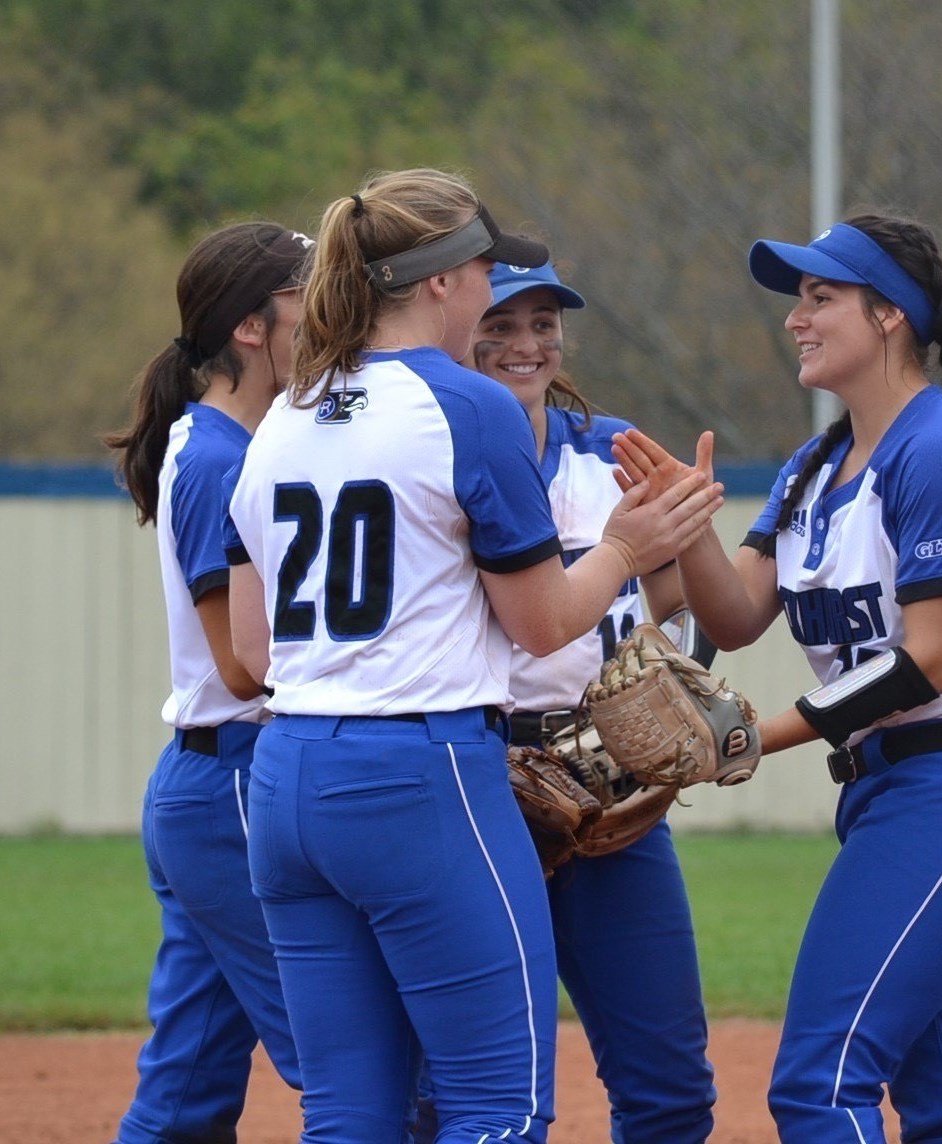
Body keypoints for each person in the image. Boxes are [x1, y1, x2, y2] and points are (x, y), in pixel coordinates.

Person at [221, 168, 722, 1143]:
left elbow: (252, 646)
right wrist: (624, 548)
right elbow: (542, 623)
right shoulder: (468, 405)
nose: (497, 293)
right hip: (419, 774)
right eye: (488, 272)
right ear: (444, 281)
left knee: (349, 1114)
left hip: (287, 776)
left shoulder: (290, 408)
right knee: (499, 1107)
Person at [614, 214, 942, 1144]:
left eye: (820, 298)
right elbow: (733, 616)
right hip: (901, 792)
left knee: (822, 1084)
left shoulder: (937, 446)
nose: (796, 318)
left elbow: (927, 662)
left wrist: (749, 738)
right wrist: (685, 528)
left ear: (889, 314)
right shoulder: (815, 465)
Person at [466, 258, 717, 1142]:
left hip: (609, 779)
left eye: (543, 323)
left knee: (670, 1089)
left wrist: (671, 692)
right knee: (475, 1091)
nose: (526, 344)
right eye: (500, 324)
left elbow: (680, 612)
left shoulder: (609, 451)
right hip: (478, 785)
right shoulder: (433, 450)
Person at [102, 222, 310, 1143]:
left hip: (208, 782)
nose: (326, 309)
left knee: (186, 1094)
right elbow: (243, 665)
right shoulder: (223, 457)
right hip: (232, 783)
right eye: (306, 293)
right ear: (251, 328)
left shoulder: (225, 441)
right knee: (357, 1063)